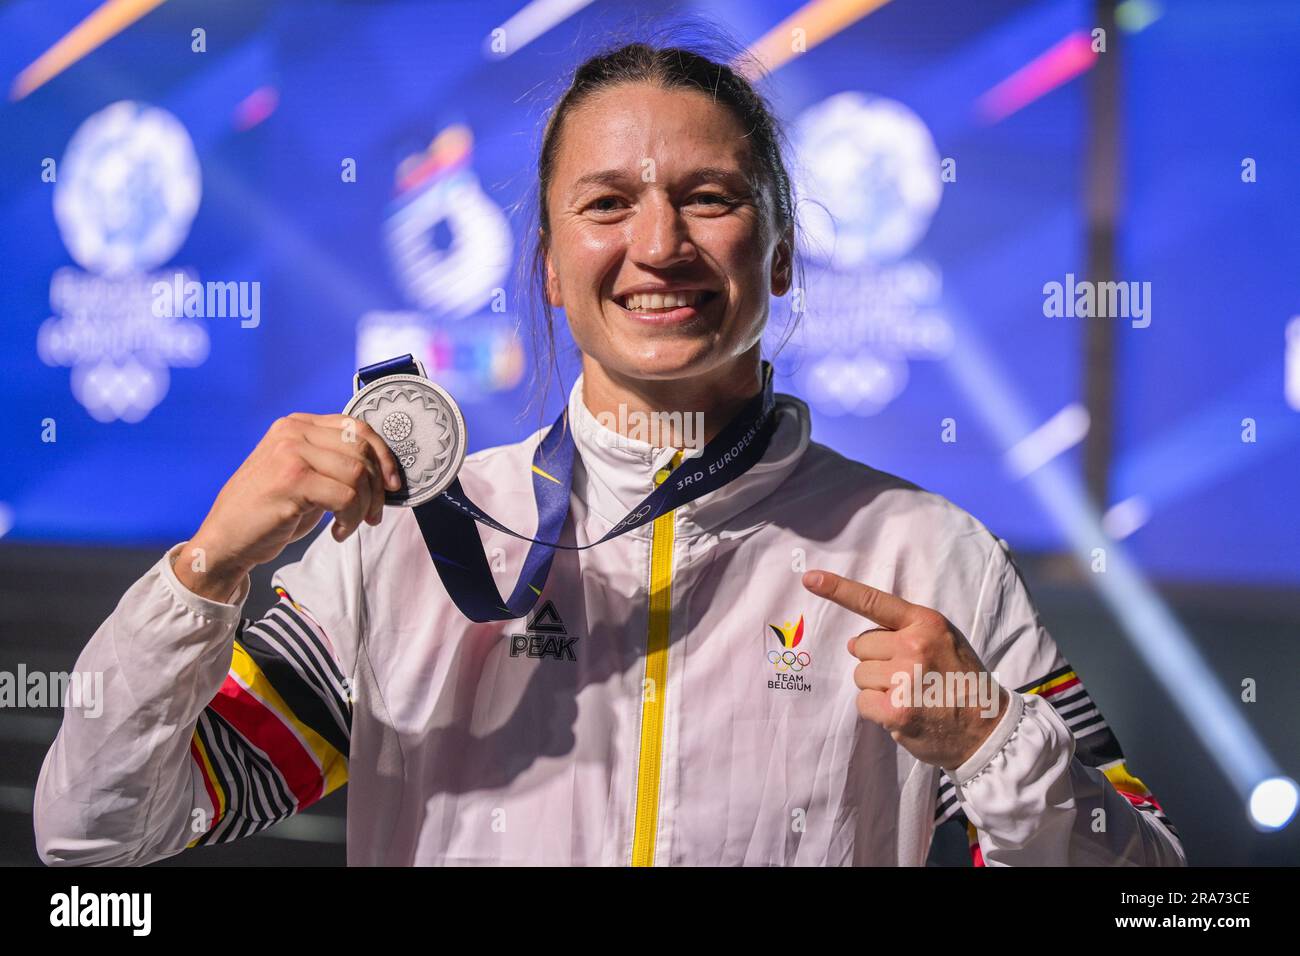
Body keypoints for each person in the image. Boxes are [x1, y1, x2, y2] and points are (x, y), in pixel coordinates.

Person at [34, 40, 1184, 867]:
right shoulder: (401, 549)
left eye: (709, 198)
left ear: (781, 257)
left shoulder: (926, 557)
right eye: (605, 203)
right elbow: (97, 838)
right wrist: (204, 575)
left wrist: (992, 742)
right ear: (545, 260)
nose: (657, 244)